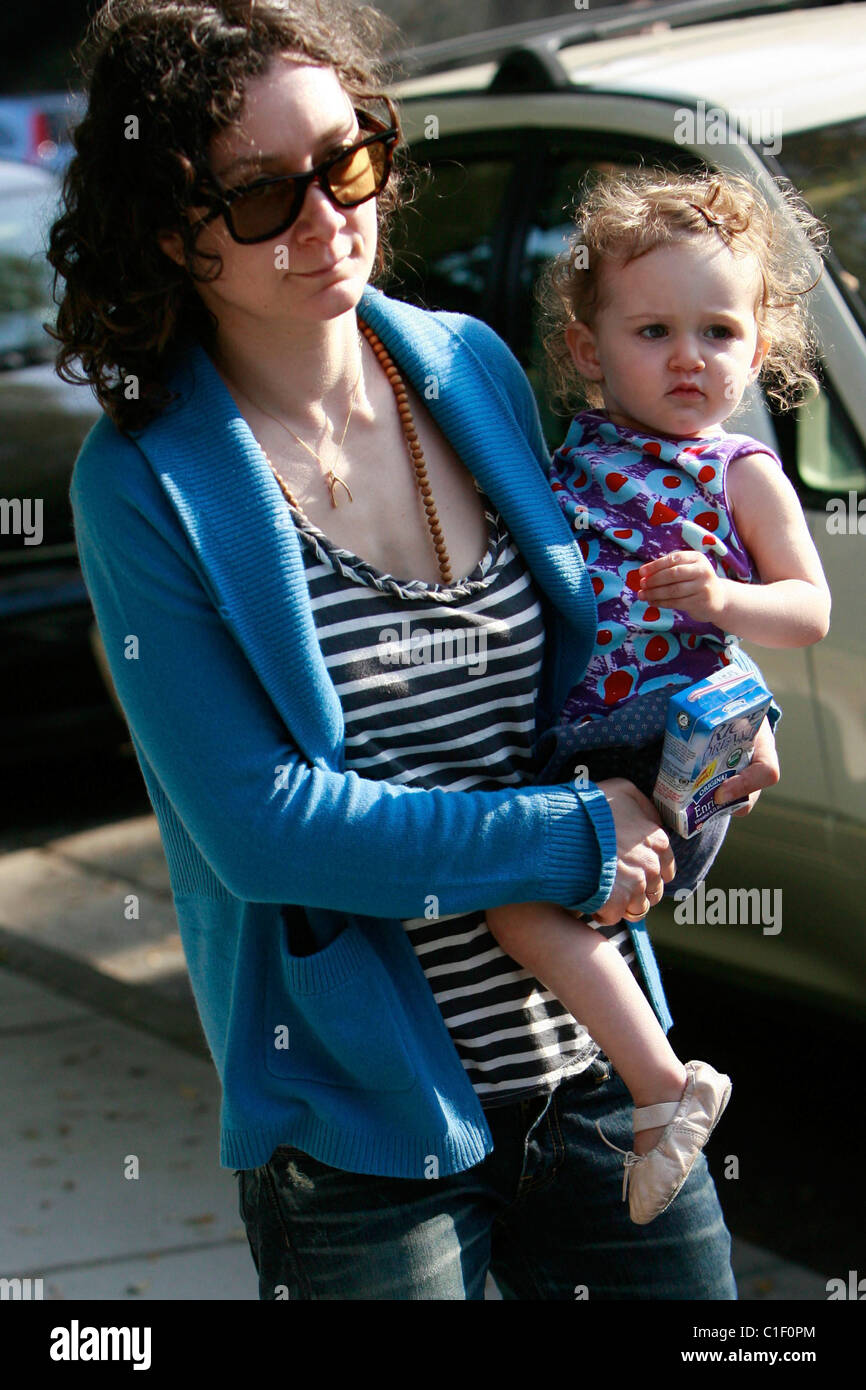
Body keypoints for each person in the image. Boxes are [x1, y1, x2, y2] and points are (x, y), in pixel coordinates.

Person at [50, 0, 779, 1300]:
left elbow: (593, 660)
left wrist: (710, 725)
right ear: (169, 228)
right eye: (263, 194)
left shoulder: (469, 366)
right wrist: (569, 835)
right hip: (364, 1129)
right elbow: (264, 827)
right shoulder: (145, 482)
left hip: (603, 1070)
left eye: (349, 160)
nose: (329, 217)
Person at [486, 169, 830, 1225]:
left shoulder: (740, 473)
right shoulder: (574, 459)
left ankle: (659, 1089)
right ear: (588, 353)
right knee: (540, 903)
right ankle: (655, 1089)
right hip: (596, 733)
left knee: (521, 902)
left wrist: (727, 594)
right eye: (651, 331)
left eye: (718, 330)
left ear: (757, 352)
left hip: (687, 732)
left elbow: (808, 610)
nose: (689, 355)